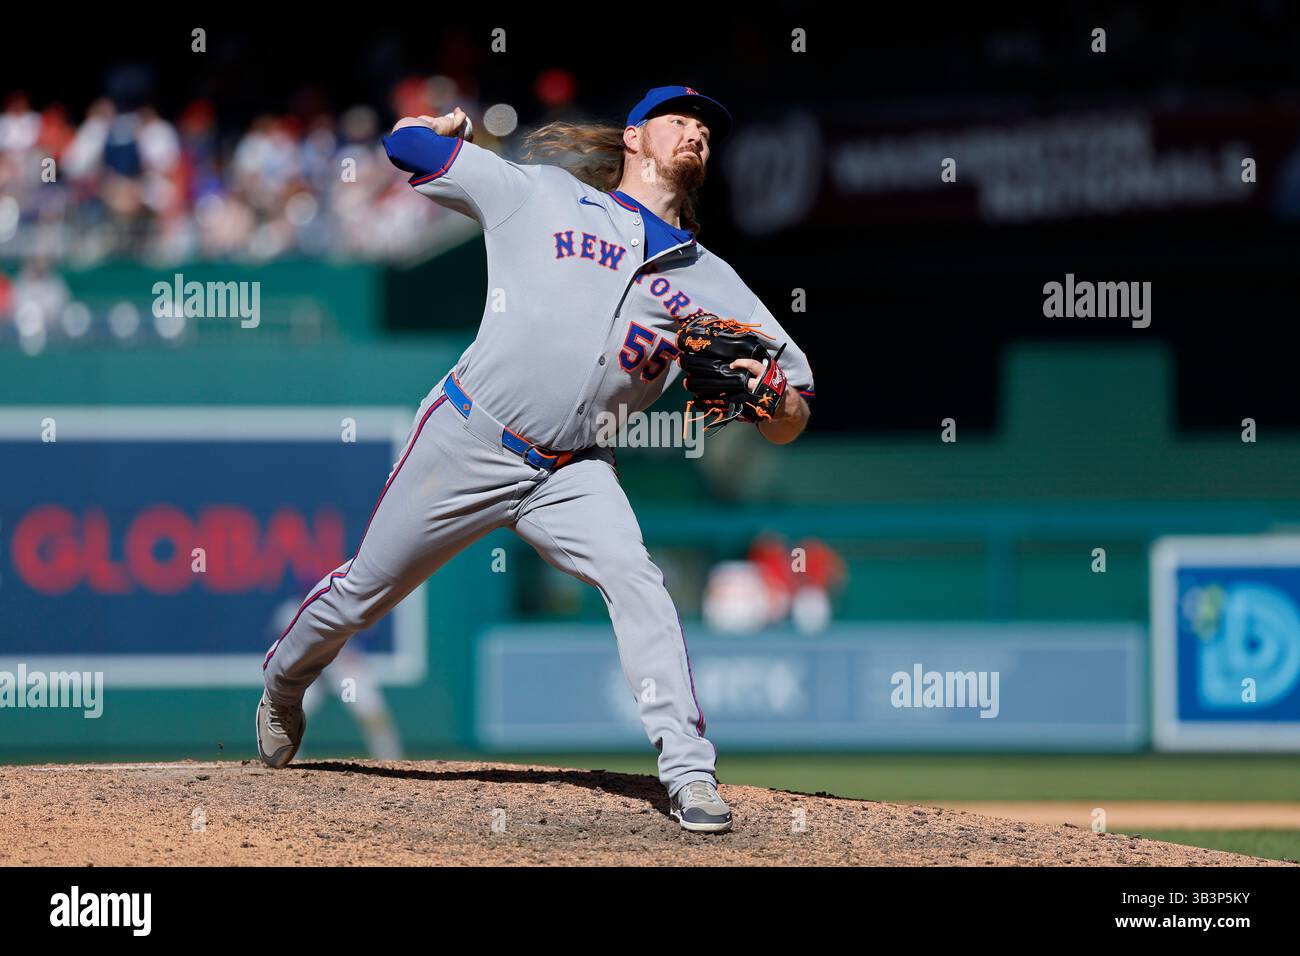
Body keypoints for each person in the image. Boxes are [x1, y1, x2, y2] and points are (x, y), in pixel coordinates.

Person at [257, 86, 816, 833]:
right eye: (678, 119)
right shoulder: (545, 195)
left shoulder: (711, 282)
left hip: (574, 470)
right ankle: (285, 682)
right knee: (364, 592)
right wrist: (442, 128)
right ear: (633, 138)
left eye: (706, 127)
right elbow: (405, 149)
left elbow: (794, 408)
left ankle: (689, 772)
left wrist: (777, 401)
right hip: (468, 435)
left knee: (636, 579)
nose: (696, 132)